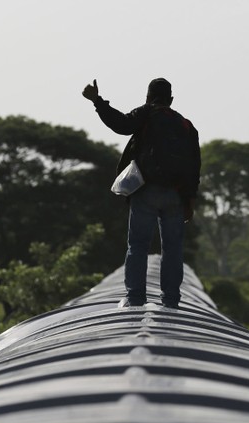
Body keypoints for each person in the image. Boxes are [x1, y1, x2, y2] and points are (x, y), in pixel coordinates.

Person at [82, 77, 200, 309]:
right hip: (175, 196)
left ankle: (135, 298)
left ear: (148, 98)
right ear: (171, 99)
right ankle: (171, 301)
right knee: (173, 249)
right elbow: (195, 166)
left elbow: (120, 124)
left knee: (138, 246)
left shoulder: (146, 113)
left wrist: (97, 101)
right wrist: (190, 200)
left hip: (145, 191)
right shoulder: (186, 125)